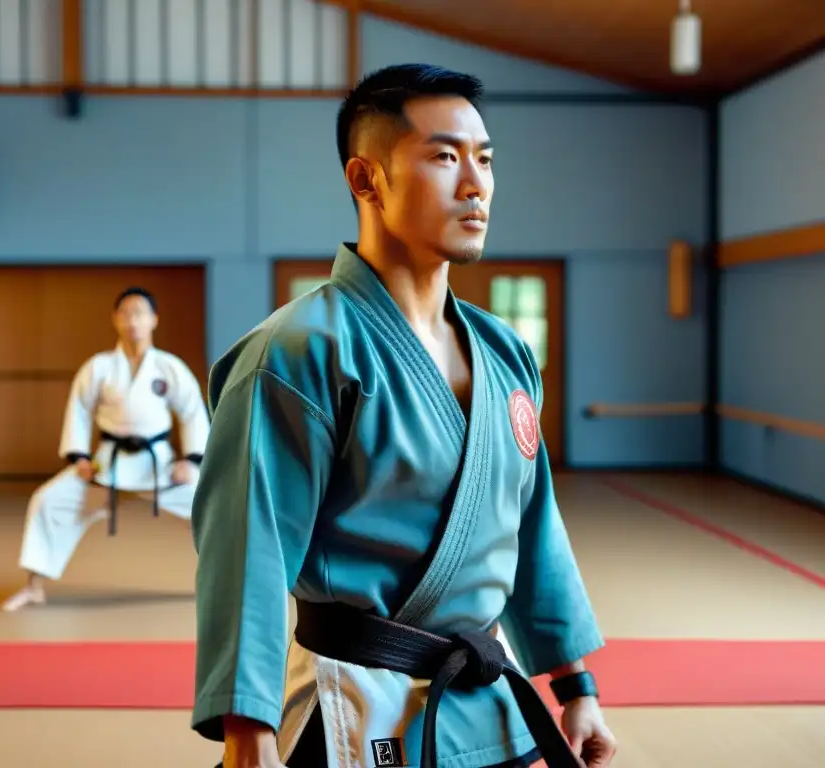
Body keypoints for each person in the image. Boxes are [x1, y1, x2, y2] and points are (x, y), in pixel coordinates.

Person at [189, 64, 618, 768]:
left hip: (488, 709)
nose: (476, 184)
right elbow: (248, 550)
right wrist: (247, 731)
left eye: (484, 159)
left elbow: (534, 527)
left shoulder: (506, 353)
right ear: (366, 180)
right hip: (354, 706)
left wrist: (575, 684)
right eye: (445, 157)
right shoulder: (299, 351)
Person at [1, 287, 210, 612]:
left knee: (216, 509)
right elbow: (79, 411)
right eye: (126, 313)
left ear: (153, 320)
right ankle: (34, 586)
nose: (133, 321)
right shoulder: (98, 367)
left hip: (160, 466)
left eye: (140, 313)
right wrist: (80, 457)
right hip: (106, 465)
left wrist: (191, 460)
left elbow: (193, 412)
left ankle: (229, 587)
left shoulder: (169, 367)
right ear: (115, 319)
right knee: (48, 500)